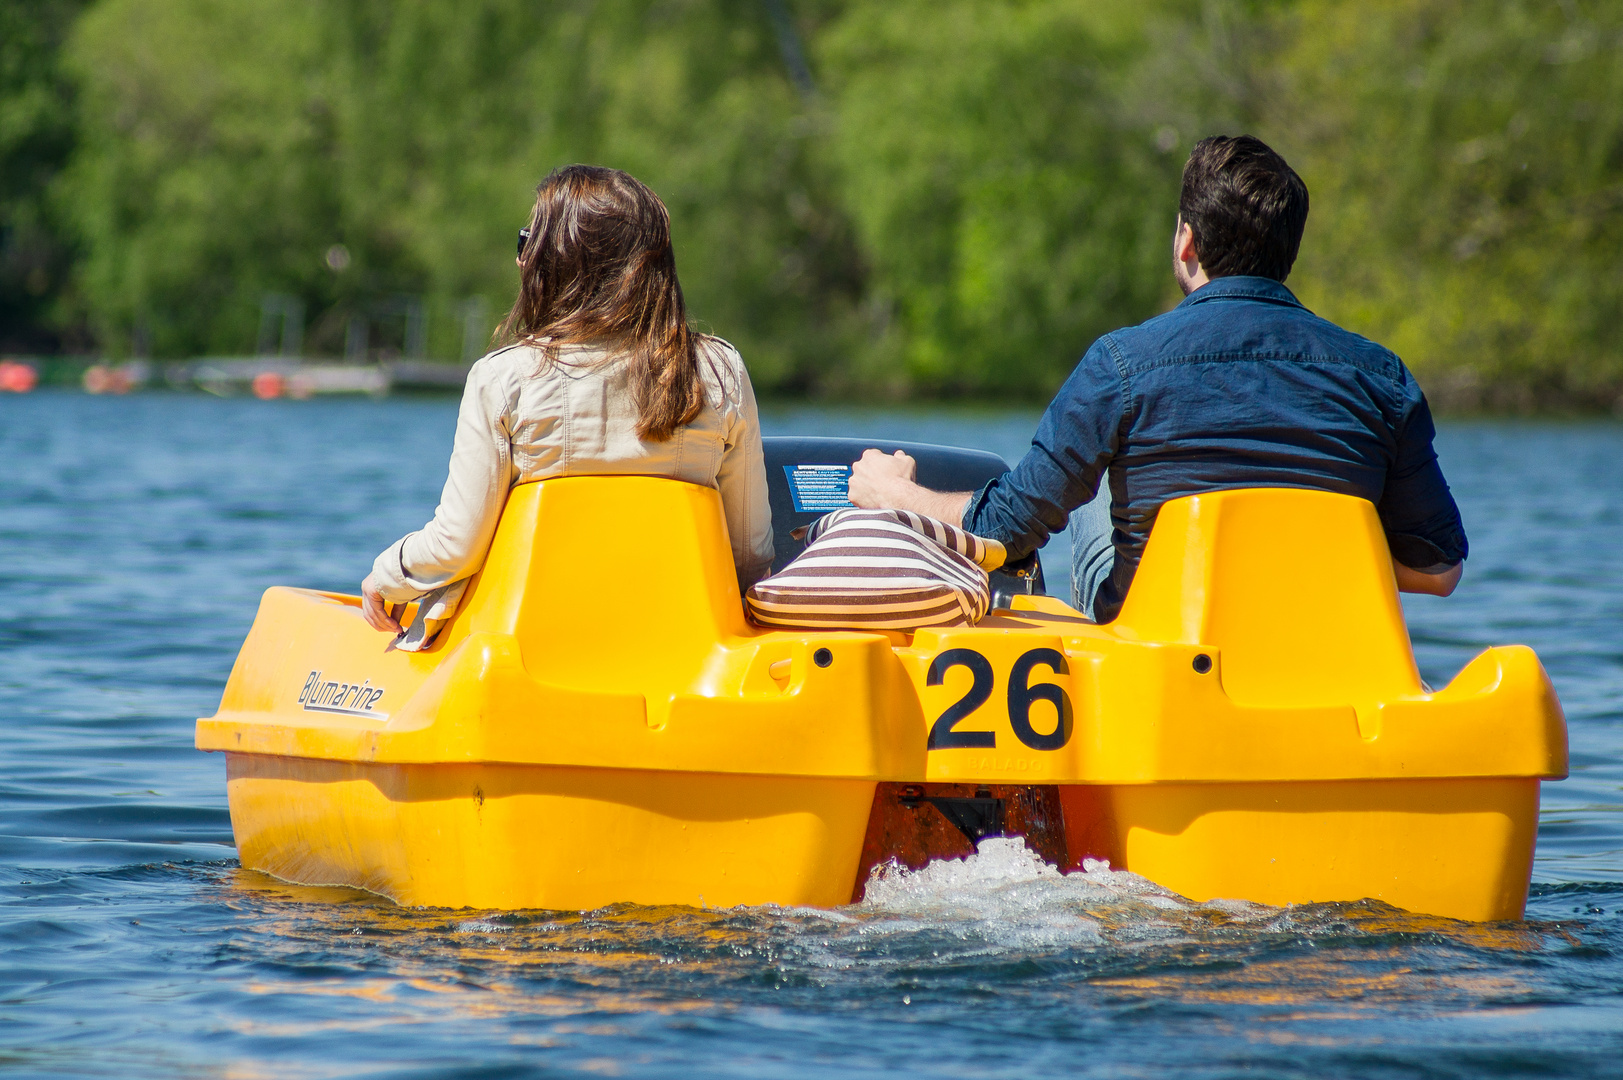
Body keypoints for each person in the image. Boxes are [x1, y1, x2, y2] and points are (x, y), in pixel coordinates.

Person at [848, 135, 1466, 623]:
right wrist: (1294, 561)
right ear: (1287, 252)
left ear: (1186, 243)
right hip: (1324, 646)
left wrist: (895, 496)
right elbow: (1438, 571)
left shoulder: (1122, 363)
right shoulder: (1382, 377)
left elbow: (1002, 532)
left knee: (1090, 497)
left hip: (1171, 654)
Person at [360, 165, 774, 641]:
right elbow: (749, 553)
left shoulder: (503, 378)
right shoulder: (721, 372)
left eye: (526, 243)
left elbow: (458, 545)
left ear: (554, 262)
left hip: (530, 649)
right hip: (684, 644)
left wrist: (386, 575)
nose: (520, 261)